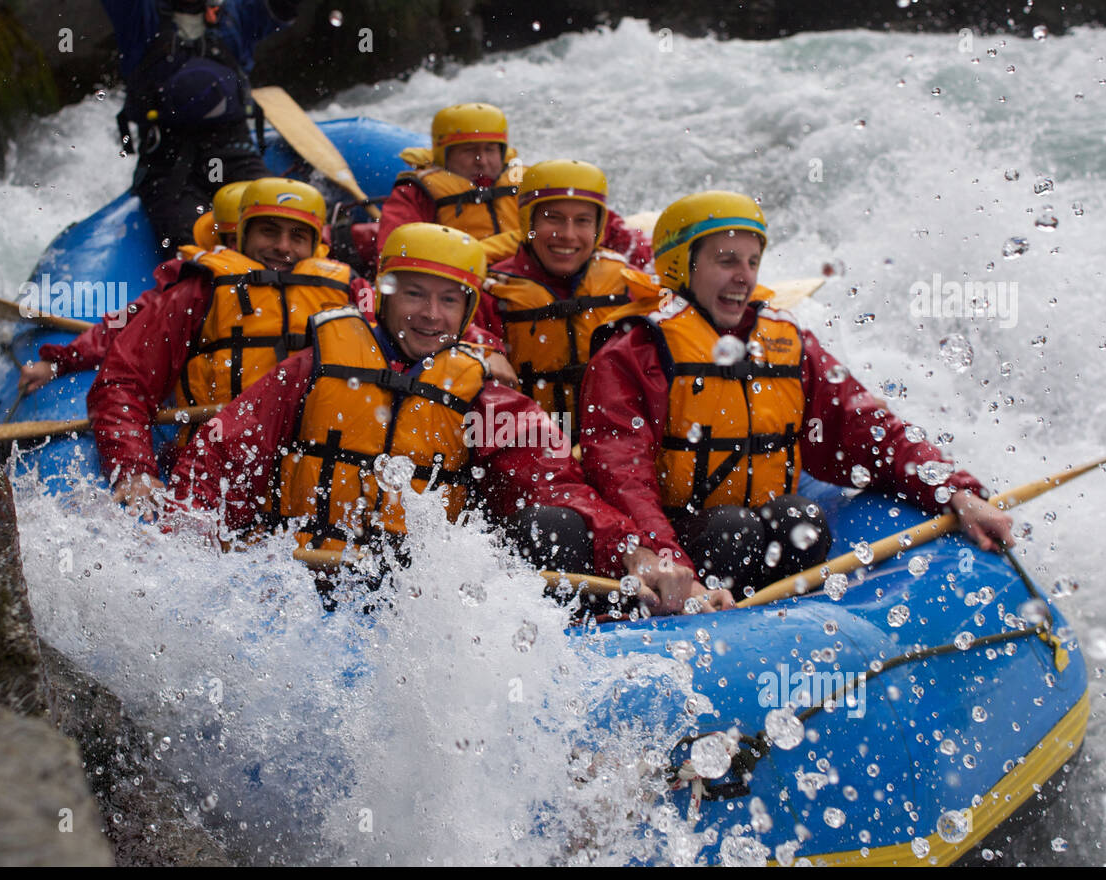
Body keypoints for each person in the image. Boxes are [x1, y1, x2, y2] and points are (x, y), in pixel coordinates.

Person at [168, 222, 729, 615]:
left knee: (557, 528)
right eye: (414, 294)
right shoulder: (313, 368)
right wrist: (202, 551)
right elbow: (220, 451)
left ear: (467, 312)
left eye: (448, 301)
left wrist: (642, 555)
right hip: (303, 573)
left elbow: (559, 486)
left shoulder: (482, 396)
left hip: (412, 591)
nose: (430, 315)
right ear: (382, 295)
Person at [579, 191, 1014, 597]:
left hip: (760, 531)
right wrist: (667, 559)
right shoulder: (633, 352)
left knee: (800, 520)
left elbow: (866, 427)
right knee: (735, 530)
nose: (743, 276)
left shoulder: (787, 342)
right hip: (683, 537)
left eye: (752, 261)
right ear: (680, 265)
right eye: (726, 260)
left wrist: (954, 492)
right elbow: (621, 473)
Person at [88, 178, 369, 512]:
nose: (283, 247)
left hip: (310, 482)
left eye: (297, 236)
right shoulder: (200, 291)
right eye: (269, 231)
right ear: (242, 235)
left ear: (315, 244)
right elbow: (124, 382)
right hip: (213, 474)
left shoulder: (345, 294)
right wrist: (135, 470)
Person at [103, 0, 302, 257]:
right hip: (166, 162)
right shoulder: (140, 16)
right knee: (189, 242)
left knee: (281, 217)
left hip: (235, 153)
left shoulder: (236, 13)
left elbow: (282, 8)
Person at [19, 179, 254, 395]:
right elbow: (128, 323)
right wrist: (59, 362)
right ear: (224, 242)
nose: (279, 249)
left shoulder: (290, 290)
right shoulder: (196, 287)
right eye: (238, 239)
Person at [474, 160, 636, 443]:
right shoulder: (492, 291)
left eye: (583, 221)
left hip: (610, 441)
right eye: (553, 218)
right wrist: (485, 349)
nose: (568, 234)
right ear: (528, 223)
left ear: (599, 227)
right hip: (529, 445)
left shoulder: (628, 283)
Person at [375, 103, 651, 267]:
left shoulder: (529, 180)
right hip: (470, 283)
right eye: (468, 151)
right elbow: (398, 255)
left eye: (490, 150)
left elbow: (604, 228)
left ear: (503, 151)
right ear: (442, 156)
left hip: (536, 275)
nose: (482, 160)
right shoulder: (416, 193)